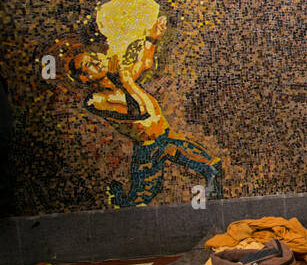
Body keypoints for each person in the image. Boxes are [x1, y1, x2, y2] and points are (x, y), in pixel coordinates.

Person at [65, 15, 224, 207]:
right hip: (148, 147)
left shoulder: (120, 79)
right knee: (141, 198)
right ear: (83, 78)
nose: (96, 62)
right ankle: (120, 200)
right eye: (88, 65)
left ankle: (215, 197)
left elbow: (144, 63)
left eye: (93, 58)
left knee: (210, 165)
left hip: (166, 135)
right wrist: (126, 81)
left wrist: (152, 38)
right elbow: (140, 112)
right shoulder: (96, 100)